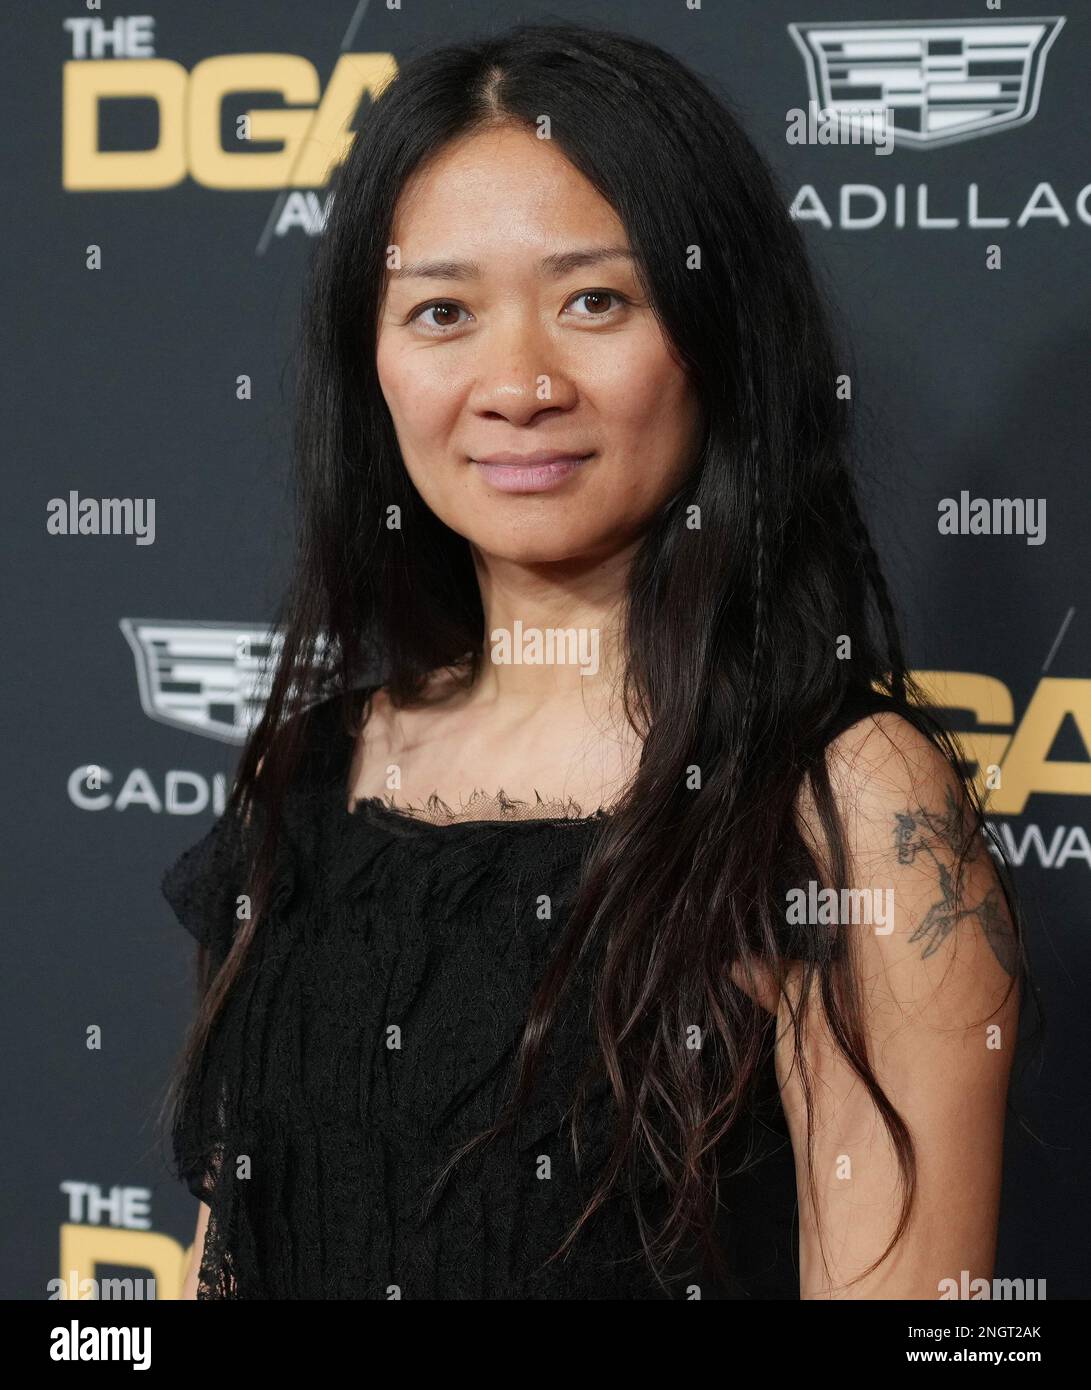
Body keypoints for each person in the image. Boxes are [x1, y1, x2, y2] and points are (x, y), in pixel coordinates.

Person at [161, 21, 1026, 1300]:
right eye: (442, 310)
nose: (516, 382)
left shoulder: (849, 802)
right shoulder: (305, 772)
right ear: (374, 363)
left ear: (717, 334)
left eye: (594, 301)